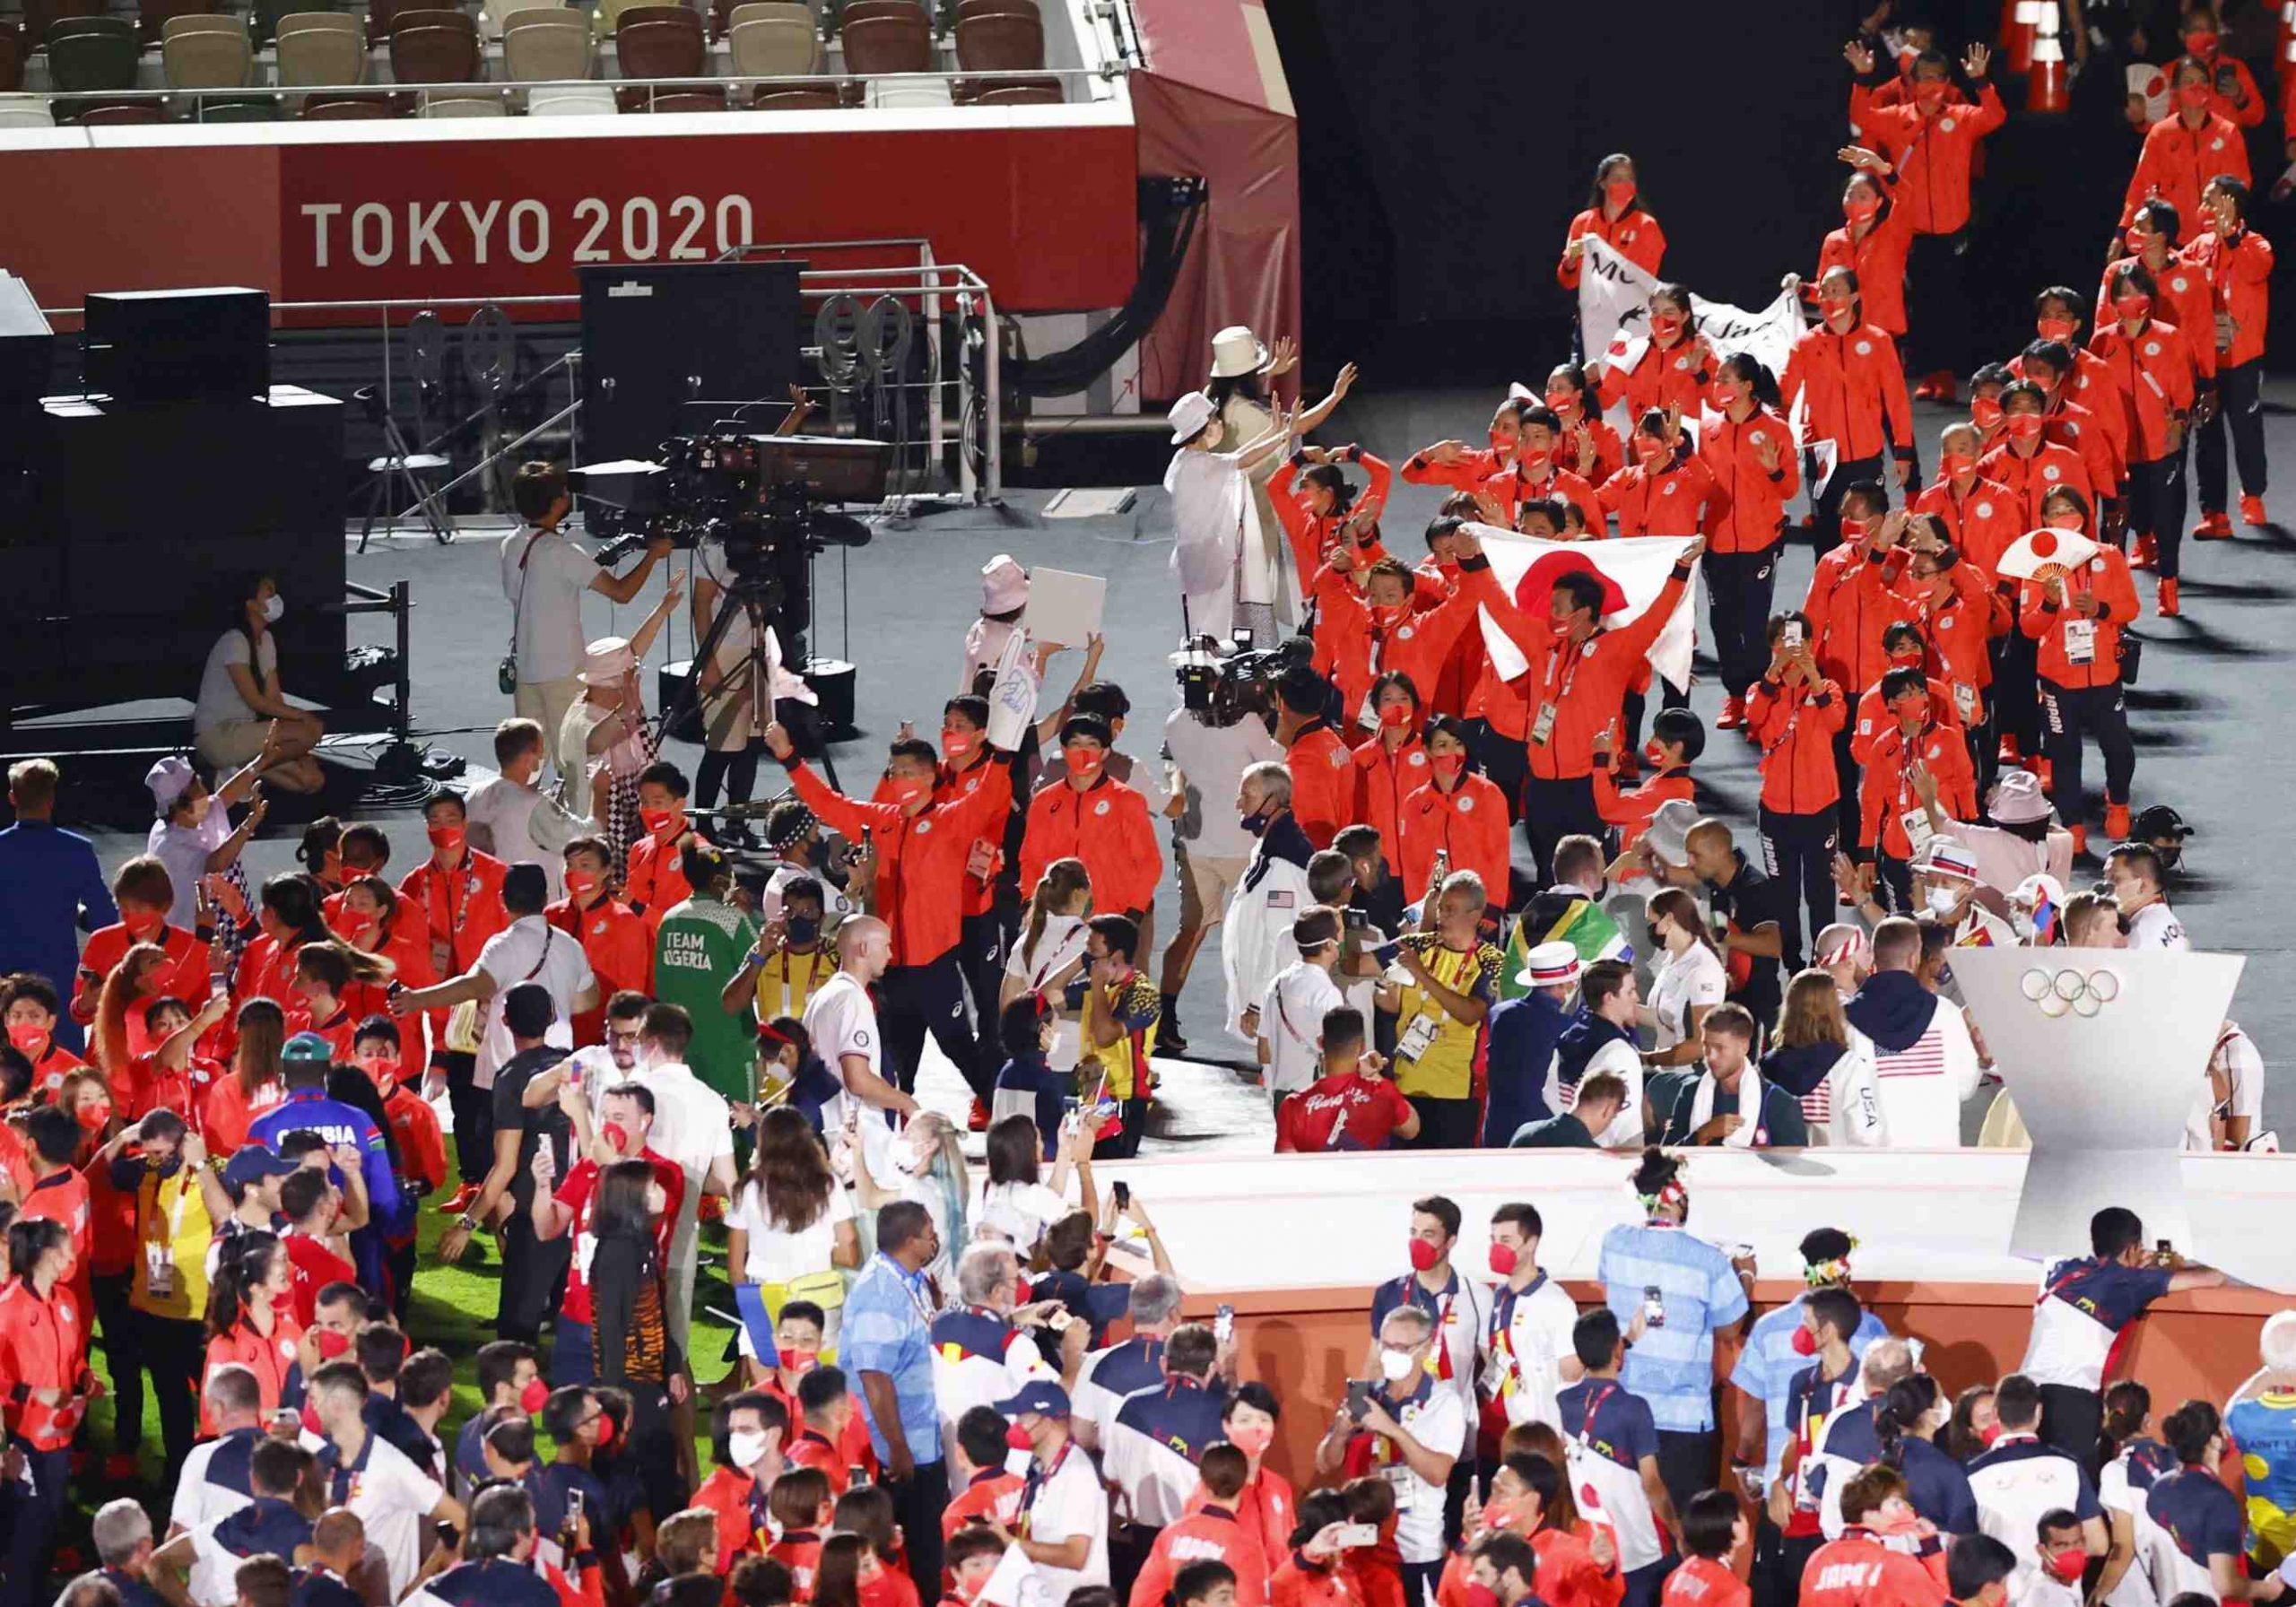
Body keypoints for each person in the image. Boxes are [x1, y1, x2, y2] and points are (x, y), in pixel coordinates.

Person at [769, 720, 1011, 1108]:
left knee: (960, 1049)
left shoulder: (952, 820)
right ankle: (893, 1137)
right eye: (894, 772)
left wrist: (1004, 754)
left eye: (908, 773)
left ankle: (1009, 1122)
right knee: (896, 1063)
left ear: (932, 776)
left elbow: (989, 794)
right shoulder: (882, 820)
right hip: (891, 969)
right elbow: (829, 803)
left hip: (935, 967)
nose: (898, 780)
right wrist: (789, 757)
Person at [1465, 528, 1703, 879]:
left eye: (1558, 607)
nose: (1550, 613)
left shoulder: (1615, 651)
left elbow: (1657, 616)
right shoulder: (1541, 644)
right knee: (1548, 876)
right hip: (1542, 784)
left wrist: (1681, 568)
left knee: (1594, 877)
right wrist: (1475, 560)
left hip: (1589, 786)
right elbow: (1499, 606)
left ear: (1583, 612)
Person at [1598, 1150, 1752, 1512]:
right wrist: (1744, 1274)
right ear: (1679, 1198)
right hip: (1684, 1421)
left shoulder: (1614, 1243)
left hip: (1624, 1411)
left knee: (1630, 1527)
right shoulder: (1709, 1261)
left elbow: (1612, 1293)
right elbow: (1730, 1329)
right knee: (1685, 1527)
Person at [502, 461, 674, 777]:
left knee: (529, 768)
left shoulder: (511, 544)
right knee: (574, 764)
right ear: (557, 503)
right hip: (563, 673)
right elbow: (622, 593)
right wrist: (652, 555)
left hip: (526, 668)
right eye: (565, 493)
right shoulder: (563, 552)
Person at [2018, 1207, 2223, 1468]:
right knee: (2073, 1487)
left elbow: (2096, 1277)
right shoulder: (2133, 1281)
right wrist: (2176, 1264)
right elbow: (2214, 1278)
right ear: (2133, 1249)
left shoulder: (2057, 1267)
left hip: (2024, 1395)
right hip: (2073, 1402)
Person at [1316, 1305, 1464, 1607]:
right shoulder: (1365, 1395)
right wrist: (1341, 1432)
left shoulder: (1443, 1403)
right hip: (1359, 1542)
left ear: (1425, 1349)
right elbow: (1324, 1463)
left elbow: (1438, 1473)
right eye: (1386, 1345)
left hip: (1415, 1549)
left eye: (1402, 1347)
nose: (1390, 1353)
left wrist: (1392, 1429)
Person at [845, 1200, 947, 1595]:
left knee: (926, 1551)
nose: (935, 1240)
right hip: (897, 1457)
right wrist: (897, 1447)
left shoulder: (910, 1277)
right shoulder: (880, 1294)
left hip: (920, 1441)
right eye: (929, 1234)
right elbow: (875, 1378)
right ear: (909, 1241)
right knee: (910, 1555)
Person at [627, 1003, 739, 1357]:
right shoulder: (712, 1103)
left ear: (653, 1042)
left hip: (628, 1241)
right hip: (681, 1243)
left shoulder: (633, 1091)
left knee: (624, 1351)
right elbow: (725, 1182)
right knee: (674, 1355)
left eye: (637, 1037)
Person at [2090, 263, 2200, 612]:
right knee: (2124, 518)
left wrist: (2178, 426)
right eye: (2121, 293)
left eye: (2136, 292)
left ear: (2149, 298)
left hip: (2162, 444)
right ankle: (2113, 594)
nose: (2128, 299)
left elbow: (2184, 390)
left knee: (2168, 513)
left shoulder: (2170, 337)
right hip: (2119, 450)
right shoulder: (2102, 341)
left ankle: (2169, 584)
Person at [307, 1360, 465, 1600]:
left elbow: (461, 1519)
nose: (312, 1407)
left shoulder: (391, 1466)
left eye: (315, 1399)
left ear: (336, 1406)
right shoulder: (325, 1460)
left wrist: (421, 1581)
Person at [1558, 1307, 1675, 1607]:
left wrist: (1624, 1340)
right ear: (1617, 1351)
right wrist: (1678, 1529)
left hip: (1587, 1548)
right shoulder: (1634, 1408)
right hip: (1636, 1552)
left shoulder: (1561, 1401)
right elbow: (1652, 1484)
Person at [0, 760, 117, 1053]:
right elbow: (105, 920)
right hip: (59, 980)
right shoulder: (78, 850)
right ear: (51, 800)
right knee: (64, 1068)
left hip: (5, 979)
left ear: (12, 797)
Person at [727, 1106, 860, 1360]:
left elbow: (735, 1269)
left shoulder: (747, 1190)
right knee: (817, 1396)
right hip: (819, 1305)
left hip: (765, 1301)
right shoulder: (828, 1185)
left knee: (769, 1396)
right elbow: (850, 1253)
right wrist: (817, 1249)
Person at [1841, 918, 1981, 1148]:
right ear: (1914, 958)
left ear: (1874, 957)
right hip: (1939, 1155)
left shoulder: (1845, 1020)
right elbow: (1965, 1088)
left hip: (1874, 1158)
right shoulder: (1945, 1014)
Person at [2186, 177, 2271, 534]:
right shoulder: (2198, 245)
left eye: (2210, 199)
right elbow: (2178, 279)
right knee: (2207, 436)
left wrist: (2231, 237)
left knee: (2246, 429)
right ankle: (2214, 514)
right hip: (2205, 359)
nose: (2204, 206)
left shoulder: (2257, 245)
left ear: (2230, 201)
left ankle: (2252, 496)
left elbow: (2256, 270)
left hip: (2242, 356)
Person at [1968, 1376, 2106, 1596]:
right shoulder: (2069, 1467)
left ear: (1995, 1415)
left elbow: (1963, 1554)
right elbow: (2099, 1543)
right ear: (2039, 1412)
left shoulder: (1973, 1476)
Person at [652, 838, 761, 1111]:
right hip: (729, 1046)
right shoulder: (731, 919)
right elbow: (763, 961)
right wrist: (750, 916)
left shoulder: (669, 918)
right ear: (721, 882)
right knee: (738, 1124)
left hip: (682, 1044)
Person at [193, 576, 326, 795]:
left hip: (248, 736)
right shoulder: (234, 641)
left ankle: (240, 772)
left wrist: (297, 744)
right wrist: (301, 721)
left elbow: (273, 697)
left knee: (312, 780)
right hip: (220, 735)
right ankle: (242, 771)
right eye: (268, 593)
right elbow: (254, 700)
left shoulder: (267, 641)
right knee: (308, 733)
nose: (275, 598)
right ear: (251, 604)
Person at [1224, 760, 1318, 1043]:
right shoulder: (1269, 845)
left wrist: (1256, 1003)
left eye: (1247, 796)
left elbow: (1279, 941)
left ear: (1271, 803)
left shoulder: (1284, 863)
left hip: (1276, 1009)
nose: (1239, 804)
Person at [1483, 1202, 1581, 1436]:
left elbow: (1572, 1374)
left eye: (1505, 1240)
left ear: (1531, 1243)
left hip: (1543, 1434)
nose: (1497, 1248)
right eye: (1493, 1240)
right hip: (1501, 1428)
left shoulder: (1557, 1303)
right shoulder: (1497, 1297)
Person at [1646, 1004, 1808, 1147]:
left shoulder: (1780, 1104)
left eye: (1719, 1048)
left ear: (1744, 1046)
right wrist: (1702, 1135)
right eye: (1706, 1046)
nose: (1711, 1056)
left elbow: (1795, 1176)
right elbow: (1666, 1160)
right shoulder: (1690, 1093)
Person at [1796, 1465, 1950, 1607]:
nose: (1905, 1510)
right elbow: (1941, 1602)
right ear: (1869, 1511)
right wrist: (1931, 1548)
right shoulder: (1894, 1564)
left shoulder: (1817, 1560)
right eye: (1896, 1504)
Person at [1274, 1007, 1420, 1152]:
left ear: (1321, 1042)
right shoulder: (1382, 1094)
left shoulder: (1294, 1105)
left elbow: (1286, 1166)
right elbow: (1412, 1129)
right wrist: (1373, 1076)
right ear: (1362, 1047)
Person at [1482, 943, 1578, 1149]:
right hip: (1539, 1135)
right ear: (1565, 984)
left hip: (1496, 1131)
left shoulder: (1498, 1013)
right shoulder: (1567, 1029)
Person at [1257, 908, 1348, 1117]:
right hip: (1316, 1100)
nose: (1344, 936)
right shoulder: (1327, 993)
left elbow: (1264, 1051)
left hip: (1281, 1100)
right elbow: (1338, 1058)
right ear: (1328, 944)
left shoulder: (1277, 984)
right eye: (1340, 931)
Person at [466, 719, 558, 900]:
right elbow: (584, 838)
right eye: (540, 753)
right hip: (530, 905)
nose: (542, 760)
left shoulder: (473, 793)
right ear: (529, 759)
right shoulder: (538, 805)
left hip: (483, 897)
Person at [1640, 888, 1726, 1071]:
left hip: (1690, 1077)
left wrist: (1646, 1059)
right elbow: (1661, 1016)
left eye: (1651, 922)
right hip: (1667, 1071)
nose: (1649, 930)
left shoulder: (1703, 969)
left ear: (1669, 919)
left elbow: (1699, 1045)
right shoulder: (1672, 959)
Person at [1662, 1490, 1749, 1607]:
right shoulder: (1731, 1590)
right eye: (1740, 1515)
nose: (1746, 1521)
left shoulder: (1677, 1575)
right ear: (1730, 1529)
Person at [2104, 844, 2187, 951]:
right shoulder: (2161, 919)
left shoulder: (2140, 934)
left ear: (2142, 886)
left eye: (2115, 879)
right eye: (2105, 878)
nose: (2106, 887)